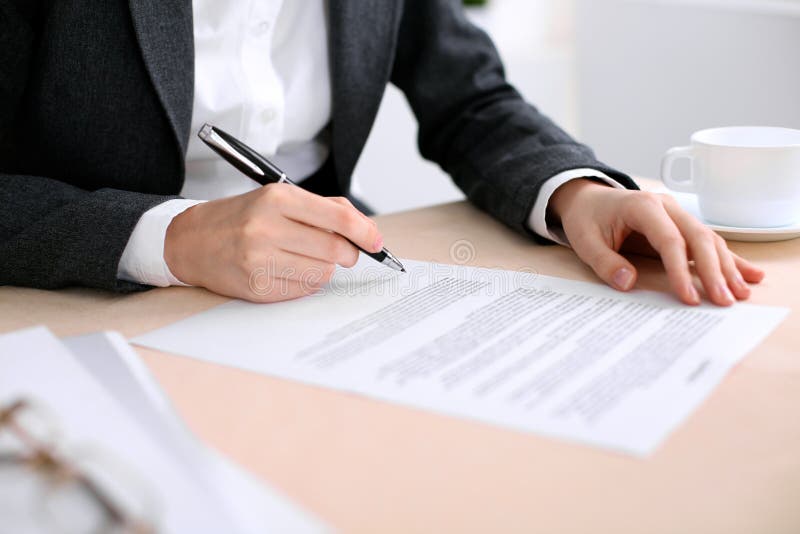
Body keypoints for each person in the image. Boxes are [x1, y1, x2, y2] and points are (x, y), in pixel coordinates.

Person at [0, 0, 763, 306]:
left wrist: (578, 194)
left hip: (323, 285)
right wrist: (168, 235)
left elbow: (471, 97)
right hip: (76, 297)